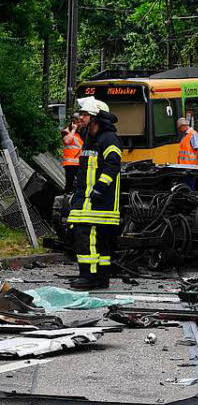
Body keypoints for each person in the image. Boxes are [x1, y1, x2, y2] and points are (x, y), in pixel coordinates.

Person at [67, 97, 122, 291]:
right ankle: (100, 278)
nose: (80, 118)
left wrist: (99, 188)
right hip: (89, 200)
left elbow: (113, 164)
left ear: (96, 118)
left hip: (97, 202)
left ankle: (89, 277)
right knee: (99, 242)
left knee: (87, 238)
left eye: (84, 115)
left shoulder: (108, 139)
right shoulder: (91, 139)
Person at [60, 113, 85, 193]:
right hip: (70, 163)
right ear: (73, 122)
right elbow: (67, 141)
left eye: (81, 122)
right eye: (78, 122)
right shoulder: (66, 131)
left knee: (80, 184)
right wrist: (73, 130)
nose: (80, 124)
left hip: (80, 163)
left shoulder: (80, 133)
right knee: (69, 185)